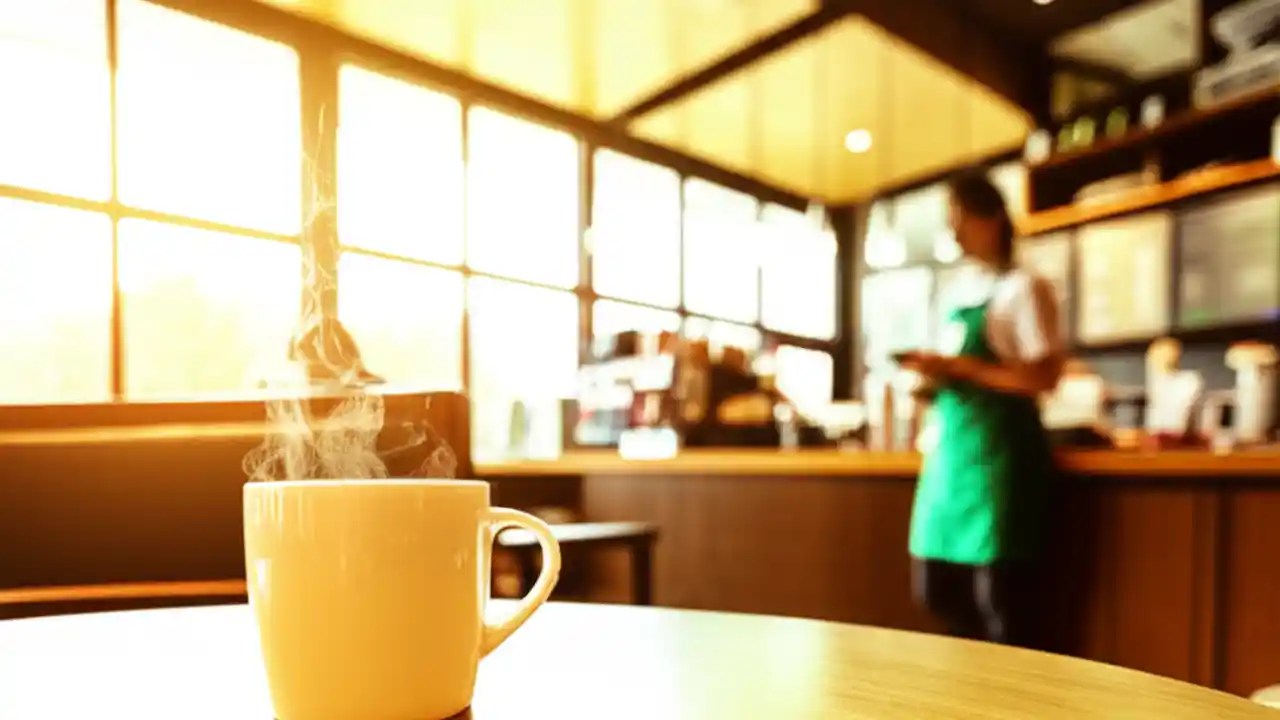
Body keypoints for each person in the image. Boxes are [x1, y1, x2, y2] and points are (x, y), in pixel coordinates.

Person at [897, 171, 1064, 647]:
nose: (952, 233)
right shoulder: (956, 292)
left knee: (1001, 604)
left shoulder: (1024, 288)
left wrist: (967, 370)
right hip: (952, 455)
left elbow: (1045, 378)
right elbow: (956, 371)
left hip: (1000, 459)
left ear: (991, 218)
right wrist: (930, 381)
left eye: (959, 220)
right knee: (936, 590)